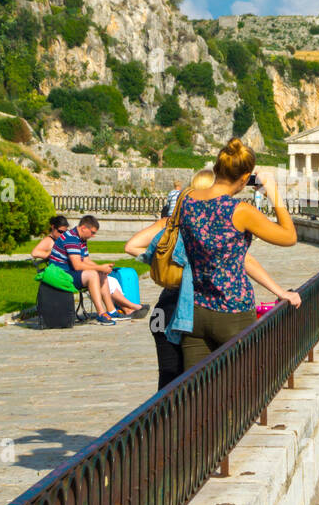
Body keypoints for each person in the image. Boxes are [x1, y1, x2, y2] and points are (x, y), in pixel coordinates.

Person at [127, 169, 302, 389]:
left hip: (164, 309)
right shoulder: (210, 228)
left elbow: (131, 246)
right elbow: (247, 262)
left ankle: (165, 422)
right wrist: (281, 293)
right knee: (200, 383)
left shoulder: (170, 223)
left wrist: (165, 260)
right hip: (186, 310)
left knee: (169, 381)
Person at [176, 138, 297, 370]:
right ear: (244, 179)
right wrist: (273, 192)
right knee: (241, 386)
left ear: (216, 169)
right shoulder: (239, 211)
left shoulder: (187, 202)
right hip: (233, 310)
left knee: (196, 391)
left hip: (195, 311)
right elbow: (289, 236)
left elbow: (236, 257)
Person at [49, 214, 145, 324]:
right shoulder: (72, 239)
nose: (93, 235)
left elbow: (85, 261)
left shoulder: (80, 238)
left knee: (100, 274)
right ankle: (101, 313)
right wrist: (99, 267)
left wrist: (102, 268)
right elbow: (77, 265)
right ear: (84, 228)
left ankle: (112, 311)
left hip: (69, 272)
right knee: (93, 275)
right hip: (61, 274)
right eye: (92, 232)